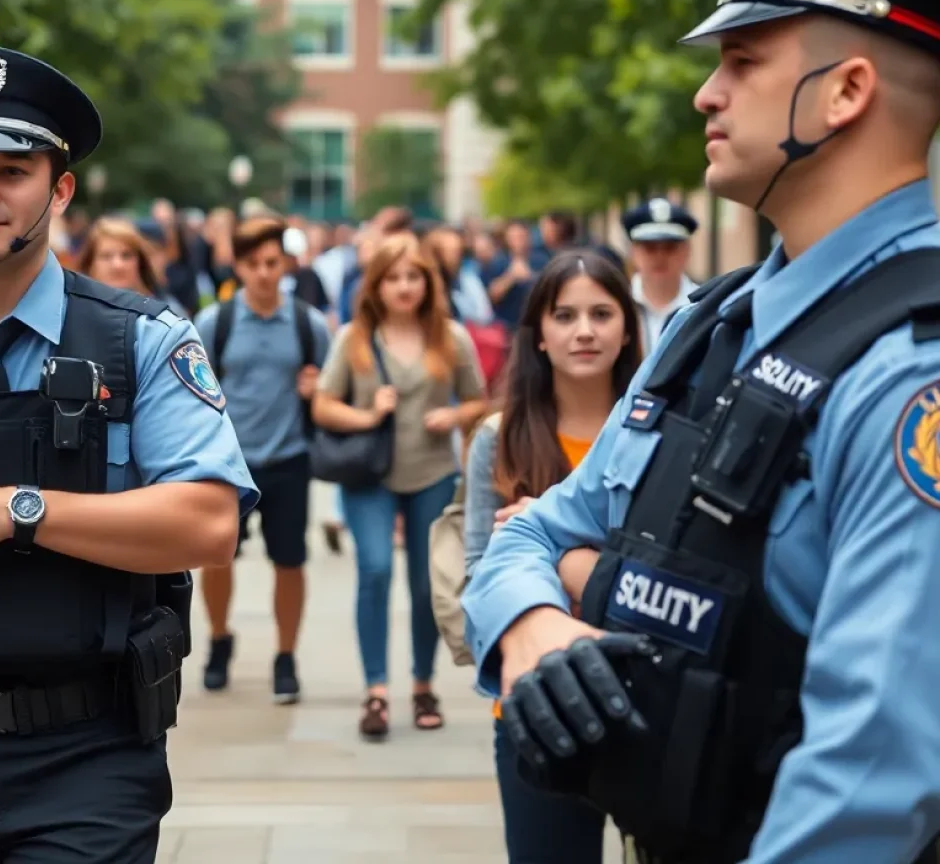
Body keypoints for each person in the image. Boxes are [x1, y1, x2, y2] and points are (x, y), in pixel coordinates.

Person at [462, 0, 940, 864]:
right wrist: (535, 628)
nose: (704, 93)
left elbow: (869, 778)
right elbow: (533, 529)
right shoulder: (711, 325)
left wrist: (588, 580)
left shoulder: (909, 377)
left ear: (846, 91)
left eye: (741, 60)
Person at [0, 46, 257, 863]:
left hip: (84, 760)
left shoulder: (142, 341)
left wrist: (17, 510)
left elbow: (210, 524)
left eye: (12, 170)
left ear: (60, 189)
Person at [464, 250, 642, 864]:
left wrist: (552, 548)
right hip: (535, 700)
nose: (584, 331)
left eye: (602, 313)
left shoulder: (664, 433)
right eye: (565, 315)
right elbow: (478, 578)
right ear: (538, 333)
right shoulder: (499, 436)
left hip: (650, 692)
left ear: (628, 329)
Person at [313, 233, 486, 740]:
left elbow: (480, 400)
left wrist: (453, 416)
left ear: (428, 283)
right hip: (372, 475)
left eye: (414, 277)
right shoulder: (355, 338)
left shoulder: (450, 337)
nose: (404, 286)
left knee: (426, 583)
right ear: (376, 285)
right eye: (393, 278)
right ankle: (376, 690)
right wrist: (369, 415)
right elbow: (323, 405)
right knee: (375, 569)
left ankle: (423, 684)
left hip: (433, 473)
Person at [194, 216, 330, 702]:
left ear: (285, 264)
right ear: (239, 267)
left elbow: (330, 388)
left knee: (289, 562)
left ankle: (286, 655)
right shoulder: (217, 323)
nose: (264, 273)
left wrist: (316, 390)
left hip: (289, 458)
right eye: (253, 264)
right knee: (217, 557)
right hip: (229, 463)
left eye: (272, 263)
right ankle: (219, 639)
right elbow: (195, 391)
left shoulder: (308, 324)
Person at [621, 198, 699, 355]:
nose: (660, 257)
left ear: (687, 250)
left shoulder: (703, 305)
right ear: (633, 252)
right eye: (649, 248)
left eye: (670, 247)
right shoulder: (619, 303)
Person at [77, 216, 163, 297]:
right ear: (89, 264)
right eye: (106, 256)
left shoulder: (160, 306)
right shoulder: (73, 306)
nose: (118, 265)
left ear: (140, 262)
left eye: (126, 256)